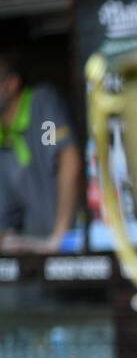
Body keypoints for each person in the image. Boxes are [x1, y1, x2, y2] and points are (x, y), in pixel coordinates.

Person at [0, 49, 81, 253]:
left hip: (72, 243)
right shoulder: (3, 134)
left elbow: (67, 159)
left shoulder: (41, 106)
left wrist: (59, 236)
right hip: (32, 250)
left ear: (11, 84)